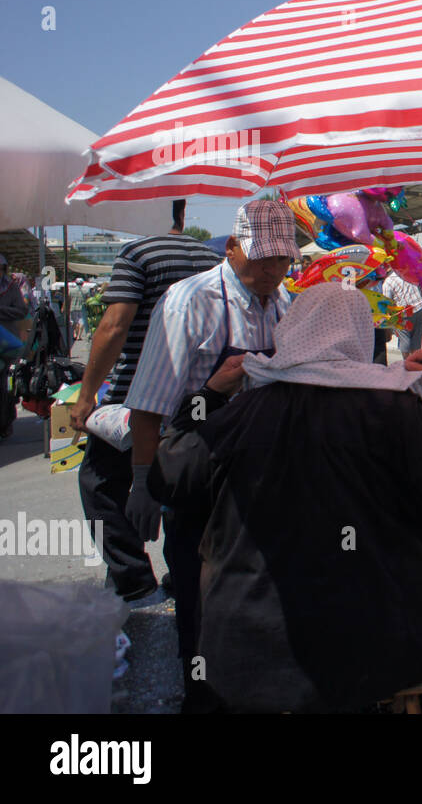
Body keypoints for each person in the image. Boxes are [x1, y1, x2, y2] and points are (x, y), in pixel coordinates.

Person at [148, 283, 422, 712]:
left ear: (292, 332)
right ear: (360, 335)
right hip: (380, 650)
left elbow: (166, 475)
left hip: (245, 649)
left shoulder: (244, 410)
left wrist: (209, 395)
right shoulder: (394, 405)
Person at [123, 200, 296, 710]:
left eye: (283, 260)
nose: (273, 271)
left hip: (261, 482)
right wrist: (141, 483)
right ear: (234, 246)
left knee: (257, 605)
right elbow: (154, 409)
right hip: (200, 473)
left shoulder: (282, 302)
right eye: (264, 259)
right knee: (202, 613)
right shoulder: (189, 302)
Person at [70, 200, 220, 607]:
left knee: (99, 483)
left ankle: (133, 578)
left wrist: (86, 396)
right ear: (183, 215)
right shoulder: (212, 257)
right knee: (183, 490)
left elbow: (115, 324)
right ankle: (187, 574)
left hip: (136, 397)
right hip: (196, 400)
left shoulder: (138, 253)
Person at [382, 268, 422, 357]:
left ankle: (407, 363)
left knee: (404, 340)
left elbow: (386, 304)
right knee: (416, 340)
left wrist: (388, 325)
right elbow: (420, 289)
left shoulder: (389, 282)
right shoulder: (409, 273)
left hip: (403, 314)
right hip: (418, 308)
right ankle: (415, 362)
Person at [0, 255, 33, 347]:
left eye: (1, 269)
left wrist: (2, 311)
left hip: (5, 338)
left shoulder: (11, 287)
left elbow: (22, 310)